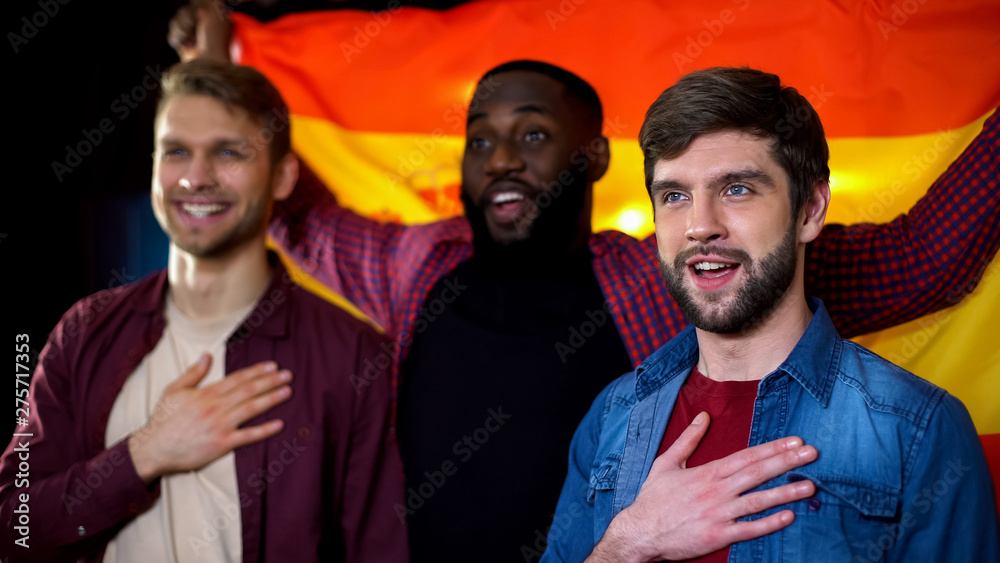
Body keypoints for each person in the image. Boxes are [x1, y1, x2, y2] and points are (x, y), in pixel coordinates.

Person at [170, 6, 1000, 561]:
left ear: (596, 157)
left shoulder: (676, 272)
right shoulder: (415, 269)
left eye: (533, 134)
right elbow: (292, 207)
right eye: (481, 138)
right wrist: (220, 77)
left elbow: (925, 255)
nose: (501, 158)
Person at [542, 66, 999, 563]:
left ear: (809, 211)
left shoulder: (919, 429)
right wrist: (627, 544)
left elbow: (925, 258)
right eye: (675, 195)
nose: (699, 226)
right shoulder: (612, 415)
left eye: (736, 188)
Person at [0, 60, 408, 562]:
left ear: (282, 177)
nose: (196, 177)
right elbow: (13, 527)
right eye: (176, 151)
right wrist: (145, 453)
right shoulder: (83, 331)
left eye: (228, 152)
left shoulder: (354, 355)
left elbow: (380, 552)